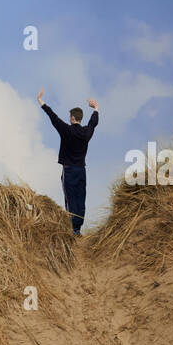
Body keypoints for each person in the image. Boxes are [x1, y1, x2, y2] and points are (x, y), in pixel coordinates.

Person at [37, 89, 98, 236]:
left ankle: (73, 229)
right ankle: (77, 228)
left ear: (72, 118)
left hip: (69, 170)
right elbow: (93, 123)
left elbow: (53, 117)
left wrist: (41, 101)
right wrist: (96, 108)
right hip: (81, 170)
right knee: (80, 198)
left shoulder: (66, 130)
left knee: (70, 198)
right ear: (80, 118)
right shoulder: (86, 133)